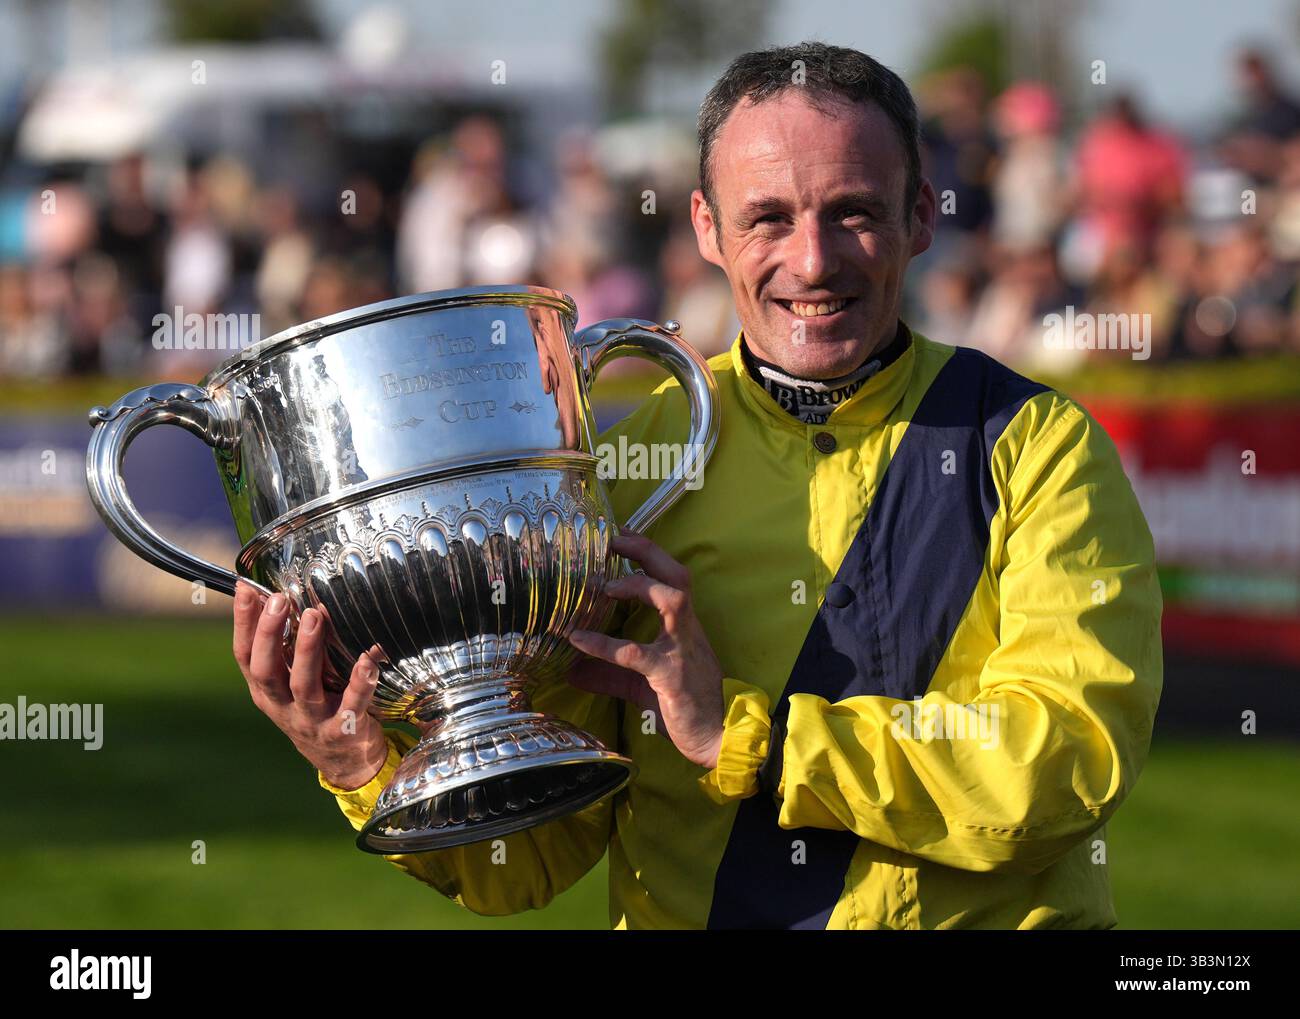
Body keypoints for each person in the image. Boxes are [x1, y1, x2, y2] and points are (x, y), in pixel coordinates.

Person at [232, 42, 1163, 930]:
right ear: (706, 229)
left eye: (853, 211)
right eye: (768, 217)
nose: (811, 261)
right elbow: (532, 862)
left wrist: (740, 736)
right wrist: (369, 768)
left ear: (921, 215)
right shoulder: (633, 470)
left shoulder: (1037, 447)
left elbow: (1064, 771)